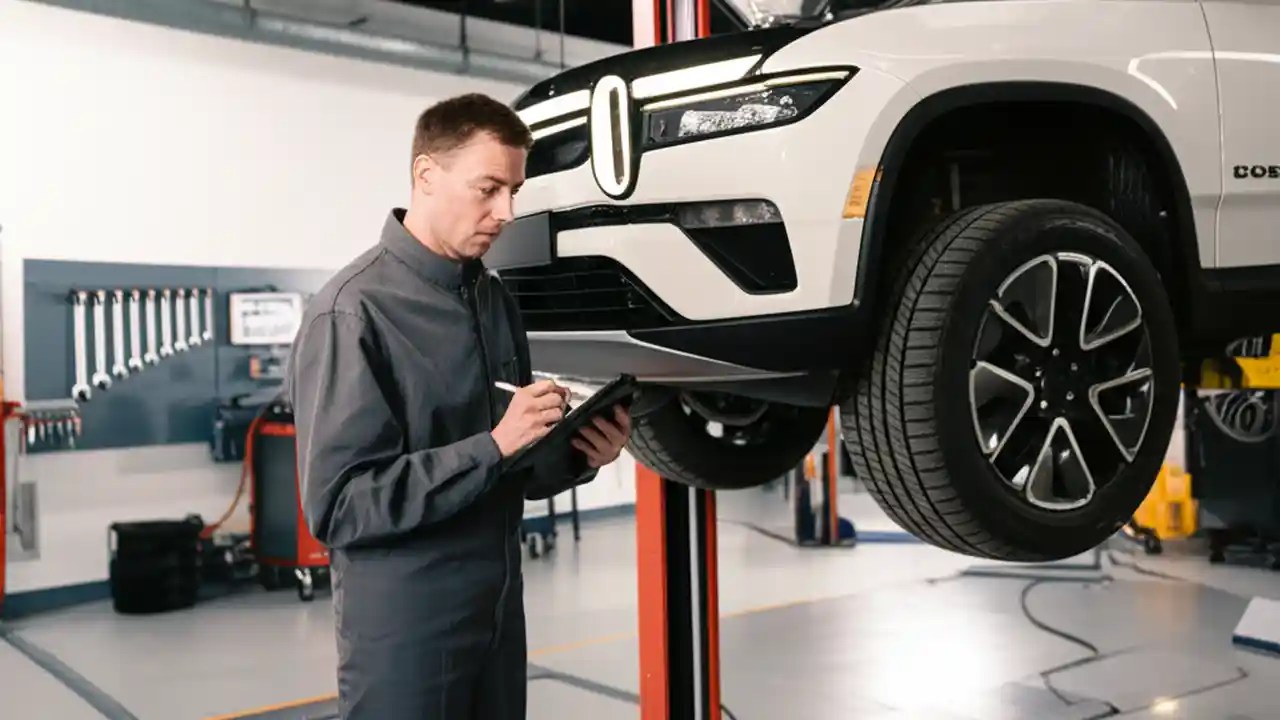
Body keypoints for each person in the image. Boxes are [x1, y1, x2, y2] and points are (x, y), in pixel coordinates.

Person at [286, 93, 633, 720]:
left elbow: (514, 474)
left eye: (514, 192)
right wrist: (494, 445)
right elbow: (339, 508)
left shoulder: (494, 300)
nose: (505, 212)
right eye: (488, 189)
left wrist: (580, 455)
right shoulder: (352, 312)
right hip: (406, 632)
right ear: (426, 176)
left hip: (497, 616)